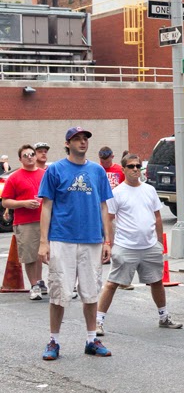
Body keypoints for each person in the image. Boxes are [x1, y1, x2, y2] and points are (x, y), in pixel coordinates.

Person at [39, 127, 113, 360]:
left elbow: (104, 207)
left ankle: (91, 339)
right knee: (59, 292)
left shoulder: (97, 171)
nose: (82, 142)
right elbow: (47, 206)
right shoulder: (55, 170)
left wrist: (107, 240)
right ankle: (54, 340)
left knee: (91, 293)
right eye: (77, 139)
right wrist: (44, 241)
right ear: (67, 143)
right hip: (62, 238)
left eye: (85, 139)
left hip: (92, 240)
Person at [96, 153, 182, 336]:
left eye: (138, 166)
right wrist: (108, 243)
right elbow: (109, 218)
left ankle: (164, 317)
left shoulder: (149, 190)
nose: (135, 169)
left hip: (149, 246)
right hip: (126, 246)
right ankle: (98, 322)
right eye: (131, 166)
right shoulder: (117, 192)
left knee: (157, 281)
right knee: (112, 284)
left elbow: (157, 216)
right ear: (124, 169)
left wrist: (159, 242)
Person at [1, 145, 46, 300]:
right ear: (20, 159)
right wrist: (24, 203)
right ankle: (34, 285)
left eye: (32, 154)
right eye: (25, 155)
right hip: (25, 222)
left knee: (42, 254)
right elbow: (5, 202)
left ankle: (40, 282)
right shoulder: (14, 177)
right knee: (29, 256)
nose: (29, 157)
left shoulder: (45, 175)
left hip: (46, 220)